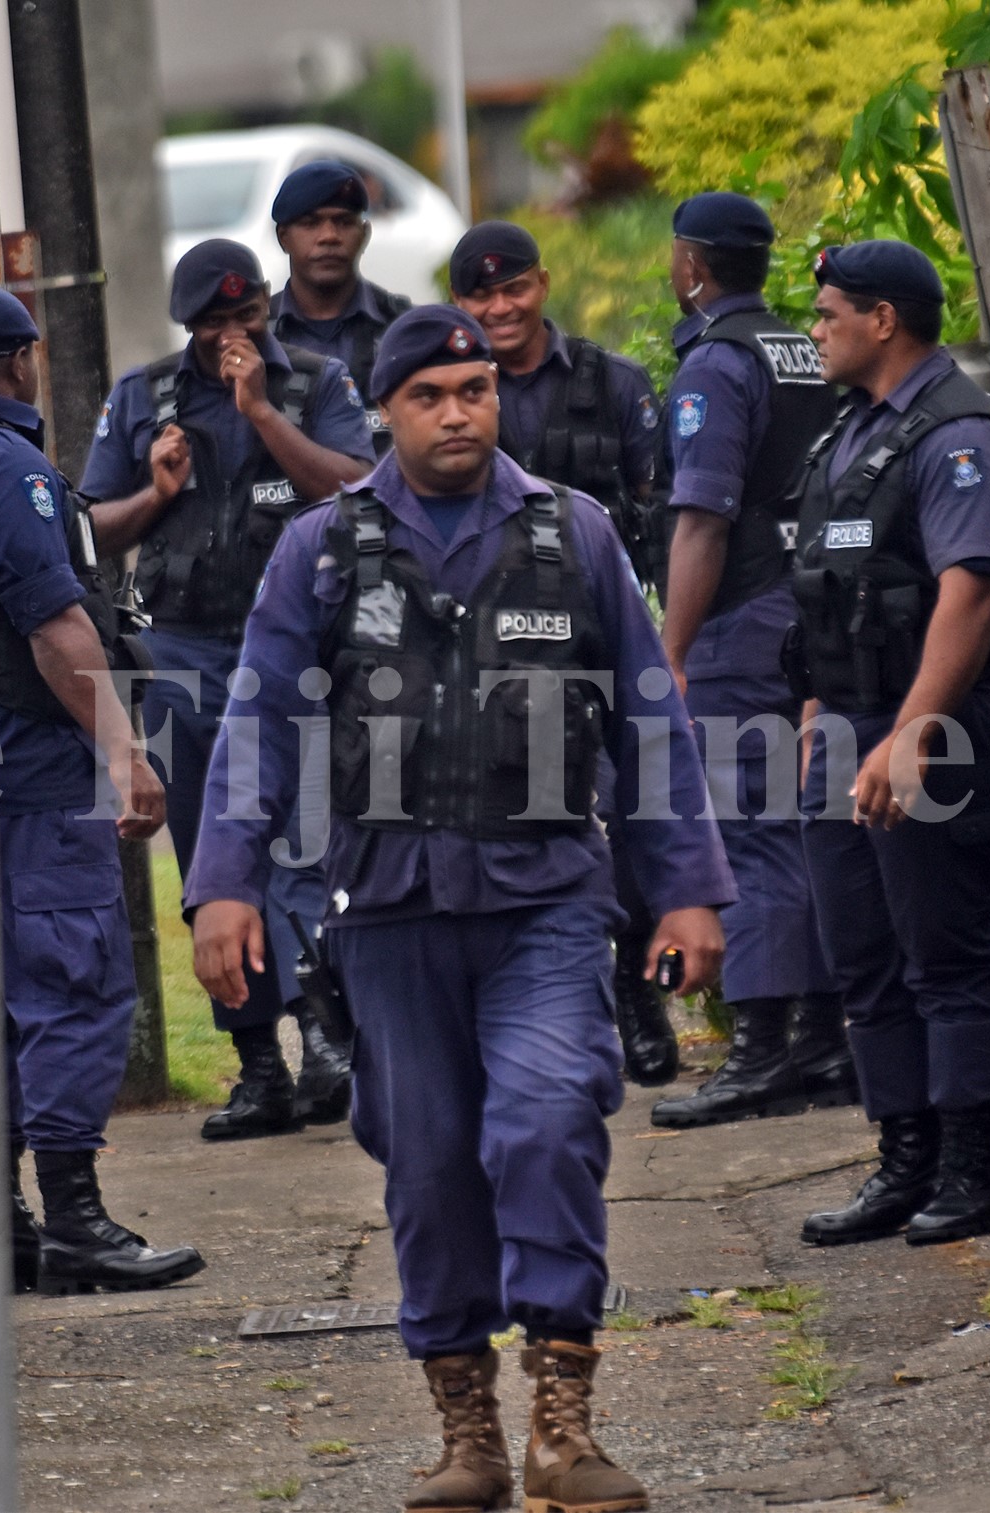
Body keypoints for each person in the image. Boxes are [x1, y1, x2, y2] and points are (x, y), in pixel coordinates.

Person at [188, 307, 735, 1513]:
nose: (457, 412)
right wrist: (223, 882)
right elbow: (258, 723)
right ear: (385, 408)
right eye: (430, 392)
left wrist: (687, 890)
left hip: (543, 900)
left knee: (543, 1121)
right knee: (429, 1167)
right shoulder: (324, 551)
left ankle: (562, 1423)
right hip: (386, 911)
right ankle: (468, 1436)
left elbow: (651, 726)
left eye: (474, 389)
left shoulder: (573, 536)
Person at [0, 286, 204, 1294]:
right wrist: (121, 752)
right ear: (17, 361)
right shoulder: (8, 466)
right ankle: (73, 1220)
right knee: (73, 977)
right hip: (31, 754)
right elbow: (56, 626)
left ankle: (4, 1220)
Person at [81, 238, 375, 1141]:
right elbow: (92, 527)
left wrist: (261, 415)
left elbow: (363, 488)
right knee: (214, 857)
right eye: (212, 324)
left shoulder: (317, 384)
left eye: (243, 319)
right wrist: (156, 492)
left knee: (301, 846)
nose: (229, 337)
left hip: (299, 644)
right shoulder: (144, 396)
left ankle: (326, 1033)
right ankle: (258, 1067)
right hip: (182, 650)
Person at [789, 240, 990, 1248]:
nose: (812, 331)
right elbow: (826, 591)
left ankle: (974, 1169)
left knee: (945, 952)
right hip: (854, 724)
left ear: (881, 319)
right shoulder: (849, 434)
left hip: (946, 725)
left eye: (824, 313)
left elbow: (969, 591)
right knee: (862, 955)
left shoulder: (958, 439)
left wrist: (911, 732)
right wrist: (816, 705)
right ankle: (904, 1160)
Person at [448, 219, 679, 1090]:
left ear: (542, 285)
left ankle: (633, 990)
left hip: (597, 627)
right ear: (461, 301)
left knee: (625, 806)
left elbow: (655, 507)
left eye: (514, 289)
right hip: (490, 651)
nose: (500, 307)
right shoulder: (451, 392)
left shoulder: (611, 383)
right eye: (481, 293)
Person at [649, 192, 858, 1129]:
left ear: (692, 267)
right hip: (816, 607)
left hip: (741, 616)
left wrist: (673, 649)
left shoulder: (715, 365)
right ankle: (822, 1040)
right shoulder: (804, 346)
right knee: (808, 821)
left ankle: (764, 1047)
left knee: (751, 828)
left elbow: (703, 516)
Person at [265, 159, 413, 451]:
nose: (329, 237)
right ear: (284, 238)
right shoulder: (257, 334)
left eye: (344, 222)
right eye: (310, 223)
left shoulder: (404, 328)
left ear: (365, 234)